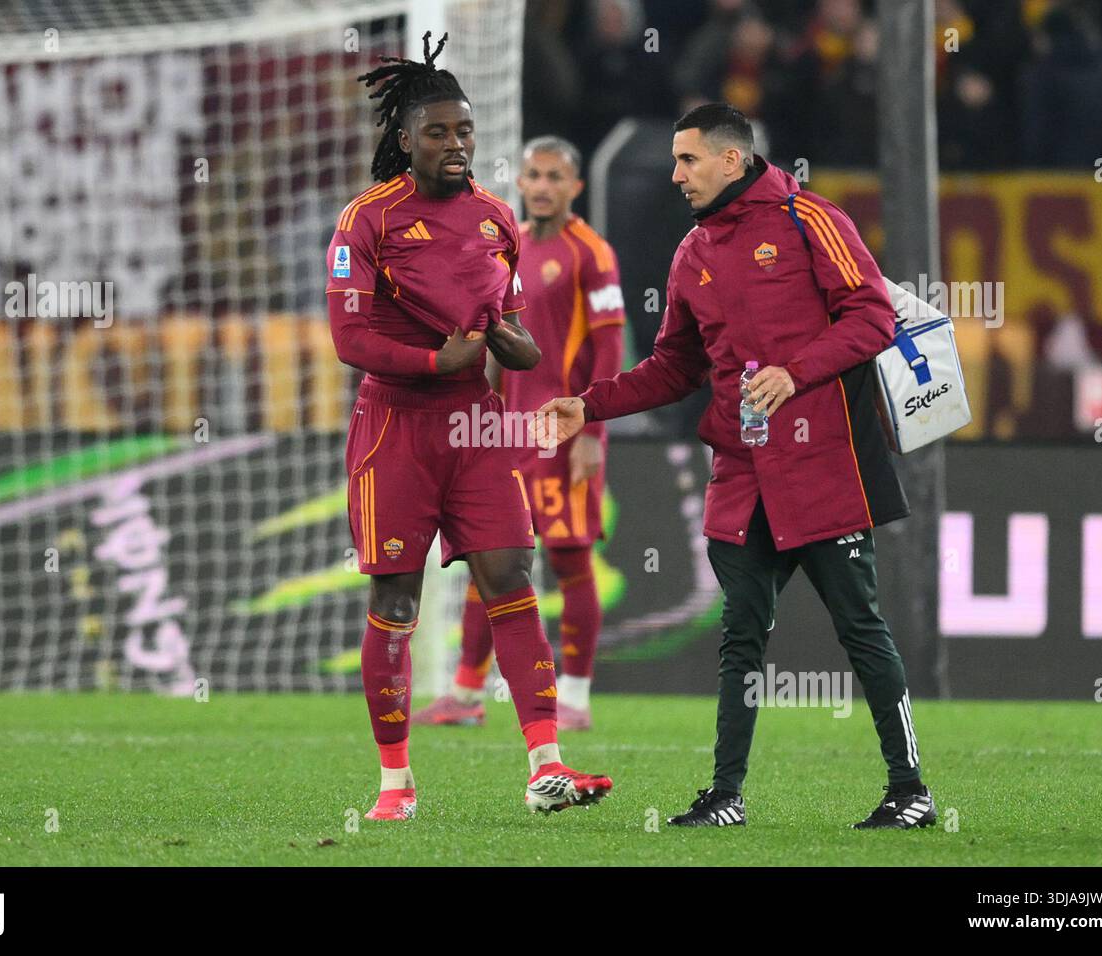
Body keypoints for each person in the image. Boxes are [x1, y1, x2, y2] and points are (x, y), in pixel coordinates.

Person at [533, 103, 935, 830]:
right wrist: (587, 406)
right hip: (744, 472)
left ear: (731, 159)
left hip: (826, 462)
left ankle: (910, 789)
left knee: (859, 627)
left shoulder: (812, 221)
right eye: (676, 160)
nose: (676, 173)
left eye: (688, 160)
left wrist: (794, 373)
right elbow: (673, 368)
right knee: (741, 637)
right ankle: (726, 796)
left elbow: (873, 316)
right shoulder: (693, 253)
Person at [325, 34, 613, 820]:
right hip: (394, 429)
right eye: (440, 133)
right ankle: (395, 783)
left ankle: (546, 765)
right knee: (394, 598)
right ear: (405, 138)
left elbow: (511, 327)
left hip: (477, 431)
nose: (458, 146)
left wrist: (518, 347)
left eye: (465, 132)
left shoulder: (495, 221)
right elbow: (348, 341)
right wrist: (432, 361)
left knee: (512, 581)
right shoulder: (366, 221)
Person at [413, 136, 625, 732]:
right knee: (493, 556)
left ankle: (577, 697)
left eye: (555, 176)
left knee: (569, 556)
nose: (542, 186)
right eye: (533, 175)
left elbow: (609, 346)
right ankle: (465, 693)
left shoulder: (593, 254)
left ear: (575, 187)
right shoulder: (509, 249)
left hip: (567, 430)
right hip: (511, 434)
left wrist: (593, 429)